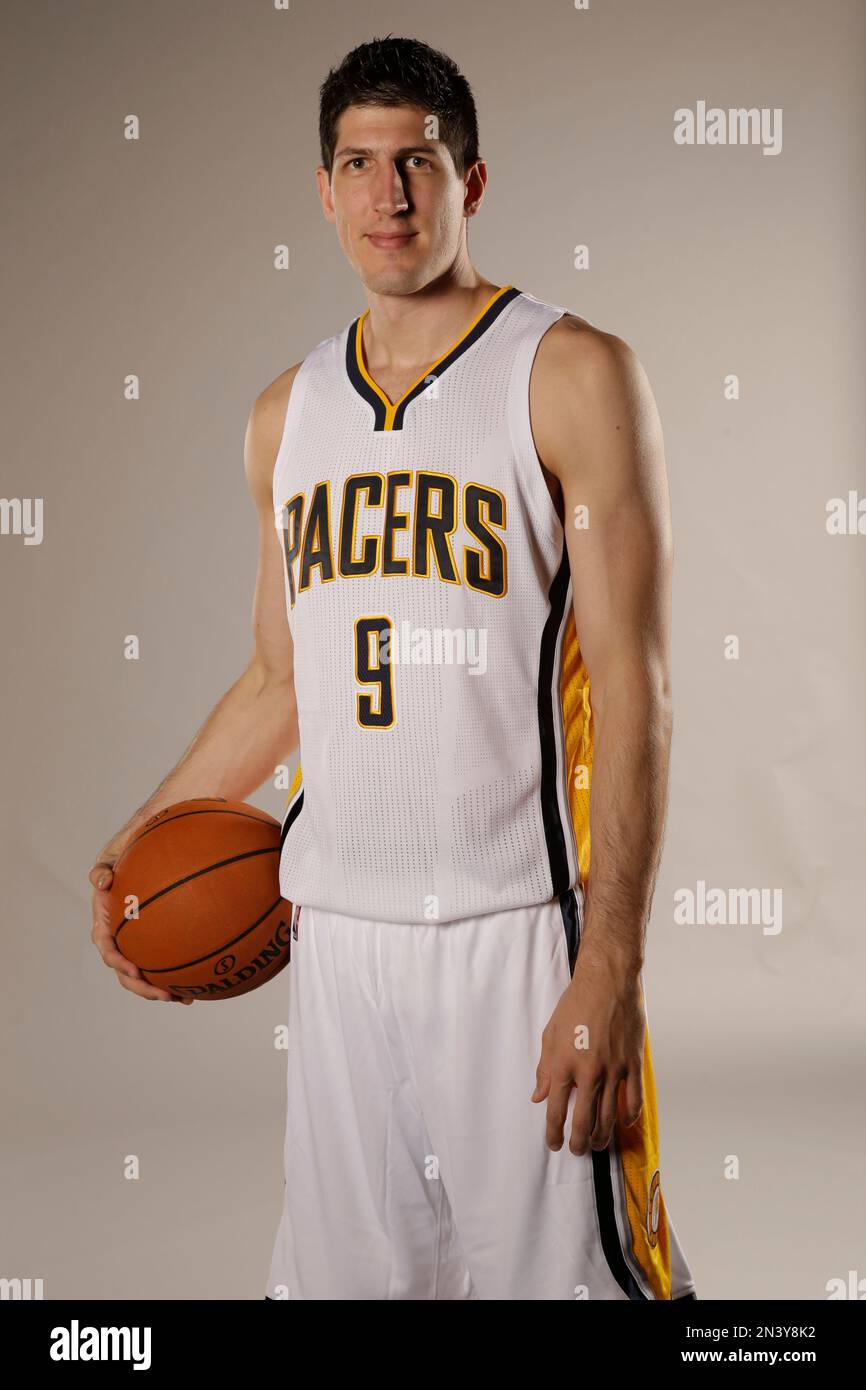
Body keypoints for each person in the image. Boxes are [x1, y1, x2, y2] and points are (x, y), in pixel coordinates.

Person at [90, 35, 697, 1301]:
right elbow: (279, 680)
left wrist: (610, 966)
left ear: (468, 180)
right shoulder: (287, 415)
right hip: (338, 941)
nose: (389, 195)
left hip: (515, 934)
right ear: (324, 191)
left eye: (415, 161)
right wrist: (135, 844)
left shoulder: (569, 372)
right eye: (359, 166)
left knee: (582, 1288)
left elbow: (633, 688)